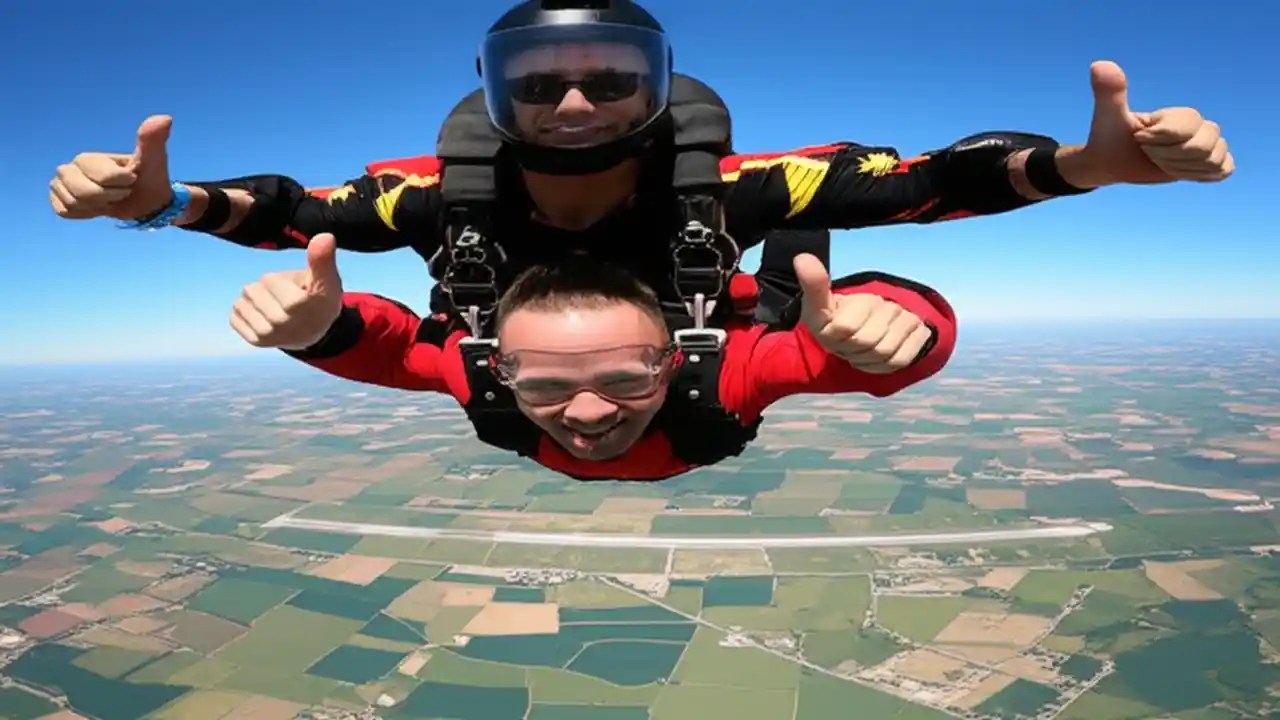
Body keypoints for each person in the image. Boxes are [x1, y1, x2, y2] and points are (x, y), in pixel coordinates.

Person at [48, 0, 1233, 338]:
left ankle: (797, 290)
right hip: (550, 361)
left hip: (705, 330)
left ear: (658, 88)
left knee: (803, 277)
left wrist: (1077, 165)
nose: (574, 105)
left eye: (611, 79)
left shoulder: (736, 183)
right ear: (493, 96)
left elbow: (926, 182)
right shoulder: (440, 197)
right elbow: (298, 211)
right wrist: (170, 203)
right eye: (538, 83)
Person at [226, 233, 956, 481]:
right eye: (545, 383)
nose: (585, 411)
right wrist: (318, 326)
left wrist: (889, 326)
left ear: (672, 362)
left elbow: (839, 355)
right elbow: (389, 351)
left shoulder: (721, 372)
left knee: (789, 293)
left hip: (728, 319)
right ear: (502, 368)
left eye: (623, 377)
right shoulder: (483, 375)